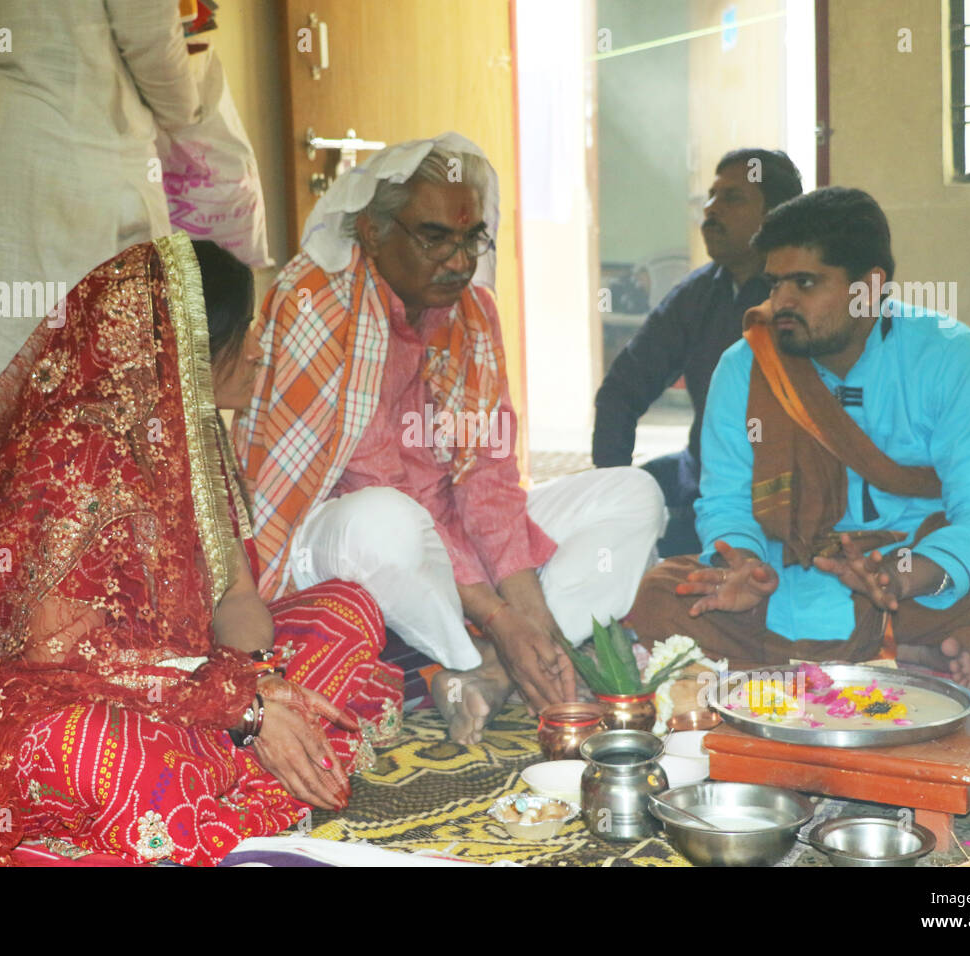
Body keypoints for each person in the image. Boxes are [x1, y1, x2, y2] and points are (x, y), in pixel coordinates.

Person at [0, 234, 402, 866]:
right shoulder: (73, 452)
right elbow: (61, 656)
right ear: (182, 339)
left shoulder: (195, 436)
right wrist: (242, 709)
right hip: (60, 698)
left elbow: (238, 593)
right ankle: (239, 762)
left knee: (347, 608)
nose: (257, 349)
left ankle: (240, 759)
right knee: (85, 750)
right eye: (244, 328)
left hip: (193, 684)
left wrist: (264, 680)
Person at [234, 132, 665, 745]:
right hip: (333, 539)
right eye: (434, 237)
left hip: (448, 540)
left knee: (634, 493)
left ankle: (512, 666)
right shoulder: (321, 303)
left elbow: (491, 482)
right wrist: (498, 616)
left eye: (470, 238)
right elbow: (380, 485)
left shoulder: (474, 314)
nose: (459, 260)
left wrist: (529, 622)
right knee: (384, 520)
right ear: (373, 231)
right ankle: (467, 662)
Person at [625, 187, 970, 689]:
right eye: (775, 283)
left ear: (869, 286)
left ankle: (815, 660)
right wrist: (746, 566)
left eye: (805, 282)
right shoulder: (747, 366)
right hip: (790, 575)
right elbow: (727, 500)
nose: (782, 302)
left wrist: (909, 572)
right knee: (660, 593)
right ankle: (906, 655)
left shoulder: (952, 357)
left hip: (915, 577)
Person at [0, 0, 248, 414]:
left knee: (15, 348)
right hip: (76, 130)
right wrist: (187, 111)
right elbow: (147, 31)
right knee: (94, 384)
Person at [592, 149, 803, 557]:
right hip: (703, 485)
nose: (711, 210)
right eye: (711, 196)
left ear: (775, 216)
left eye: (732, 198)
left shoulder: (802, 301)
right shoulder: (698, 294)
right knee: (621, 533)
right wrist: (612, 491)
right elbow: (621, 391)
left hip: (783, 498)